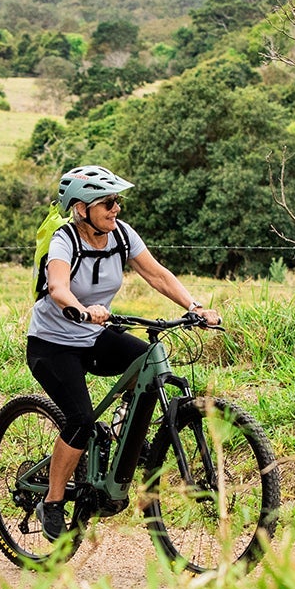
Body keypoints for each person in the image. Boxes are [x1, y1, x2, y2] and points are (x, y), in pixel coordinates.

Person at [26, 165, 219, 540]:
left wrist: (194, 306)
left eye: (117, 201)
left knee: (148, 360)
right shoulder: (65, 240)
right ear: (81, 209)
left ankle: (122, 427)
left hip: (94, 336)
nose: (116, 208)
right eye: (108, 202)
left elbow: (157, 274)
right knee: (80, 420)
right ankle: (52, 502)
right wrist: (82, 310)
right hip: (52, 344)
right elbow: (58, 287)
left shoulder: (122, 235)